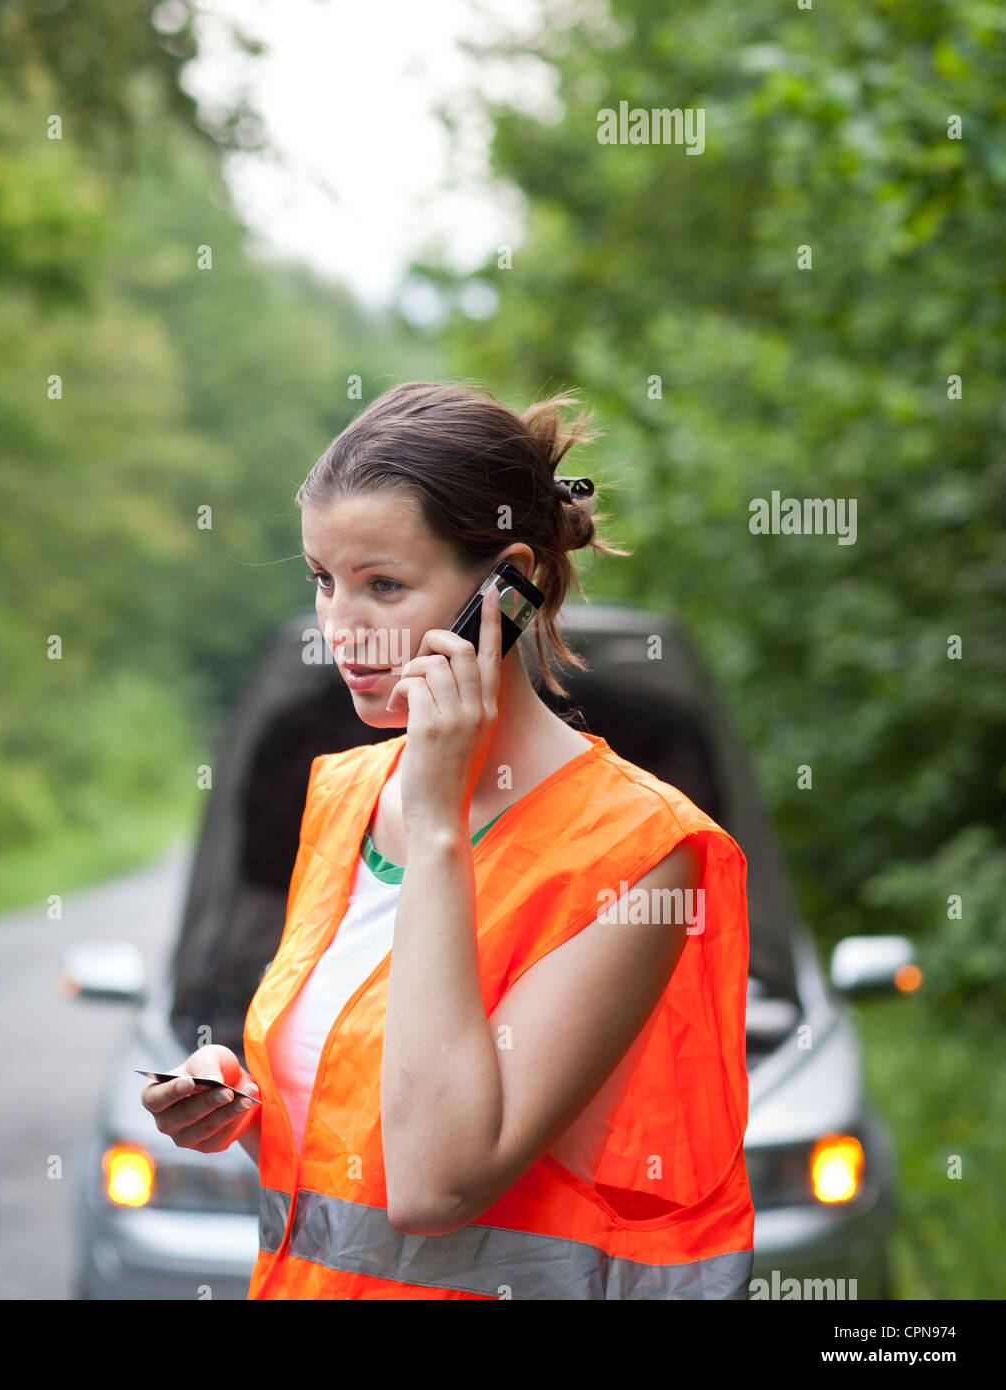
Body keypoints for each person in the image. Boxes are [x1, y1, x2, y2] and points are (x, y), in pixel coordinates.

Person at [142, 380, 756, 1299]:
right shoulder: (344, 794)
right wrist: (245, 1103)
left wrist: (436, 822)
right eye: (323, 580)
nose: (340, 628)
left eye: (384, 584)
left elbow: (436, 1182)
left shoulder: (640, 852)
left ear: (508, 585)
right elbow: (370, 1113)